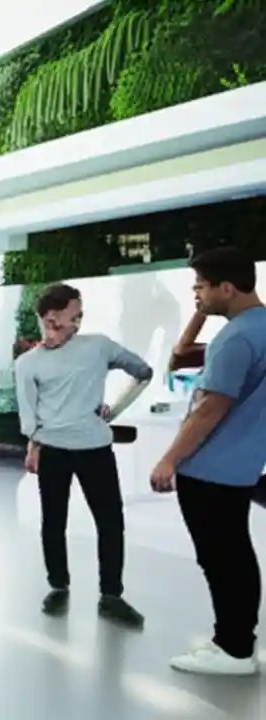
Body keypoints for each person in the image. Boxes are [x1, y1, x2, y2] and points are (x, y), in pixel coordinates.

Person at [150, 247, 266, 676]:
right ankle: (235, 641)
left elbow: (210, 408)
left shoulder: (236, 337)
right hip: (240, 464)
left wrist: (169, 459)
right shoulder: (257, 327)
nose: (195, 294)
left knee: (221, 557)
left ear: (227, 287)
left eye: (200, 286)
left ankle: (234, 649)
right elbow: (182, 354)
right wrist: (202, 312)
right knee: (233, 553)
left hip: (210, 466)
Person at [16, 283, 152, 628]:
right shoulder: (27, 364)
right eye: (71, 317)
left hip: (94, 449)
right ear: (49, 317)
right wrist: (35, 447)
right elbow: (29, 419)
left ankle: (111, 595)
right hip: (54, 453)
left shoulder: (98, 346)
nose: (76, 323)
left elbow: (143, 371)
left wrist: (114, 410)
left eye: (79, 317)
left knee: (110, 522)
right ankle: (58, 585)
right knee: (53, 521)